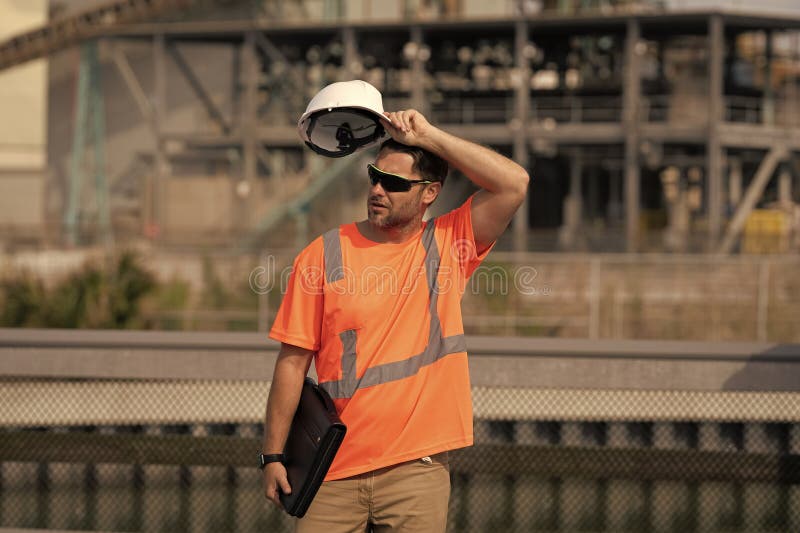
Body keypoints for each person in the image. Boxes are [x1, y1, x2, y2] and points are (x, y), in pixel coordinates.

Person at [262, 108, 529, 532]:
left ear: (429, 193)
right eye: (374, 176)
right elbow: (292, 362)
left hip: (414, 472)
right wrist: (273, 455)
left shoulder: (448, 244)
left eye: (395, 182)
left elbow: (514, 183)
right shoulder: (322, 254)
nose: (378, 190)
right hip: (331, 470)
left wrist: (429, 135)